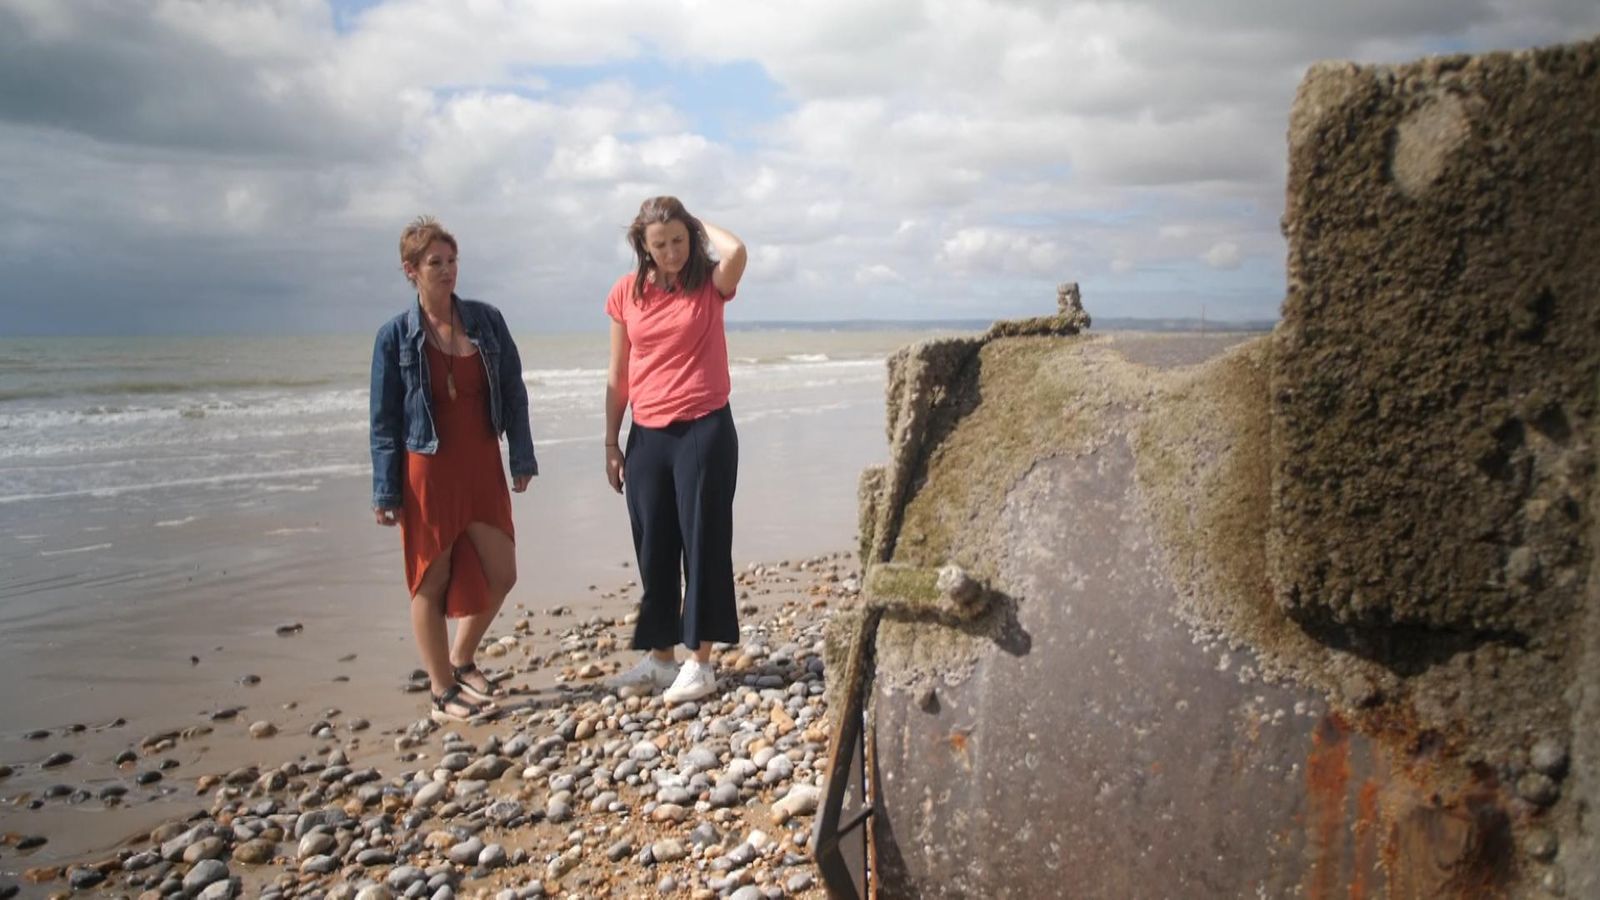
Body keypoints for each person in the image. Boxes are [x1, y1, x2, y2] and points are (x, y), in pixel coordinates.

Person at [370, 216, 537, 723]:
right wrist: (385, 491)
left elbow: (513, 391)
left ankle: (462, 660)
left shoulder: (486, 321)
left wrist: (521, 455)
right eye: (434, 263)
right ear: (411, 270)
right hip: (429, 470)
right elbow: (384, 421)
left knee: (502, 572)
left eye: (451, 260)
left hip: (482, 462)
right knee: (431, 579)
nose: (447, 270)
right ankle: (442, 691)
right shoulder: (394, 337)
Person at [604, 196, 748, 703]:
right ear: (644, 247)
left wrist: (695, 221)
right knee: (654, 545)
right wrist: (611, 441)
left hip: (703, 429)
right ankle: (661, 659)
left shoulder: (709, 283)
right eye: (660, 244)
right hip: (647, 435)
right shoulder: (626, 292)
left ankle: (700, 664)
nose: (672, 252)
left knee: (703, 542)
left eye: (679, 240)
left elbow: (738, 252)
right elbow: (618, 374)